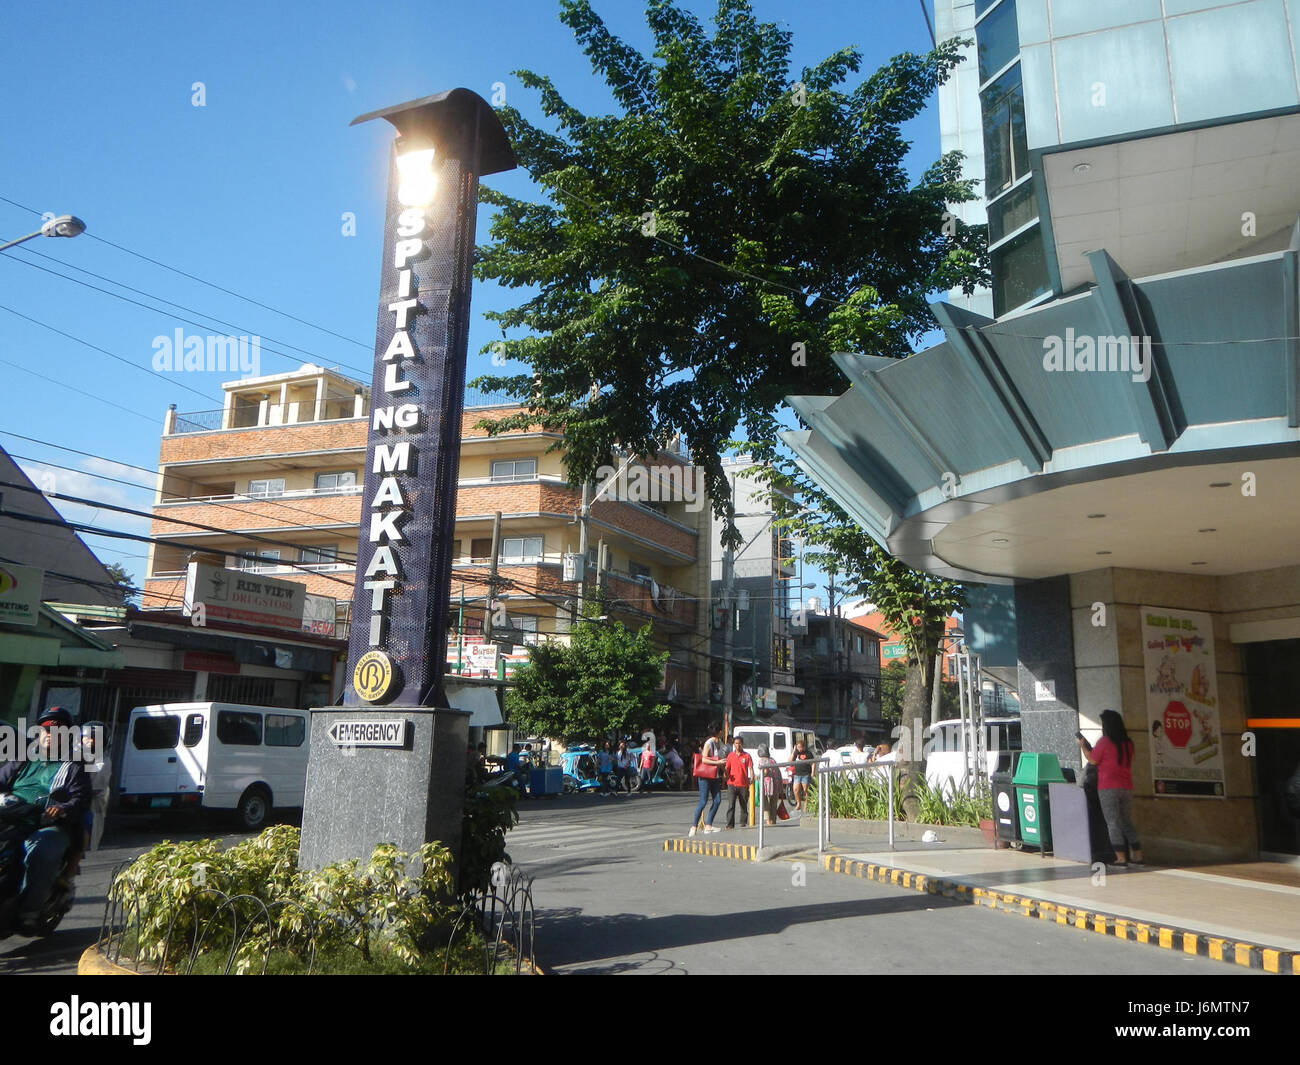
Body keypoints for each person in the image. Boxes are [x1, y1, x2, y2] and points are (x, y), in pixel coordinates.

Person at [0, 708, 91, 933]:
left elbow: (80, 798)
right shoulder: (22, 758)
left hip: (46, 824)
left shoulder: (73, 765)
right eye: (46, 730)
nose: (51, 734)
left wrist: (61, 808)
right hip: (12, 817)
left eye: (58, 730)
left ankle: (29, 910)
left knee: (42, 851)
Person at [1077, 709, 1143, 867]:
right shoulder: (1128, 743)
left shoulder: (1105, 742)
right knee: (1126, 821)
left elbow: (1093, 760)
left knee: (1112, 822)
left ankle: (1120, 858)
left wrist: (1083, 747)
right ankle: (1138, 856)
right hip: (1126, 786)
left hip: (1108, 787)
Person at [79, 721, 111, 853]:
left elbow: (95, 785)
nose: (90, 741)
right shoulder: (71, 756)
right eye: (86, 737)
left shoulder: (103, 761)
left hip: (90, 806)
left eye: (94, 738)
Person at [689, 723, 726, 836]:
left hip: (715, 776)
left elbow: (721, 757)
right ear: (719, 732)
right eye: (722, 730)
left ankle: (709, 825)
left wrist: (723, 770)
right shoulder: (709, 743)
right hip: (705, 776)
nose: (723, 732)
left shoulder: (720, 743)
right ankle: (694, 826)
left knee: (717, 800)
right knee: (703, 801)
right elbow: (704, 760)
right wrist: (717, 762)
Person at [724, 735, 754, 829]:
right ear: (734, 744)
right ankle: (730, 824)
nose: (738, 745)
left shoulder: (746, 756)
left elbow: (750, 768)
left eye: (739, 743)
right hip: (732, 784)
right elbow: (726, 768)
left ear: (742, 744)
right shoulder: (730, 756)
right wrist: (726, 777)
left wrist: (752, 776)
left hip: (743, 784)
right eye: (736, 743)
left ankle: (743, 822)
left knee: (743, 804)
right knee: (731, 804)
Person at [755, 743, 781, 826]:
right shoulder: (773, 760)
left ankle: (768, 820)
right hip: (775, 783)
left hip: (766, 784)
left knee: (765, 802)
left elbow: (765, 772)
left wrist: (758, 776)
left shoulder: (762, 761)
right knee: (773, 802)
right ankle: (773, 819)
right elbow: (778, 772)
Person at [791, 739, 814, 811]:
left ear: (803, 747)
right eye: (798, 747)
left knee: (805, 790)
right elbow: (790, 760)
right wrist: (793, 751)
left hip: (805, 774)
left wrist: (812, 773)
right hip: (797, 774)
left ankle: (806, 805)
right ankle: (799, 803)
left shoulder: (808, 753)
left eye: (800, 747)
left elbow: (813, 763)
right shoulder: (796, 753)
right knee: (795, 790)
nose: (799, 749)